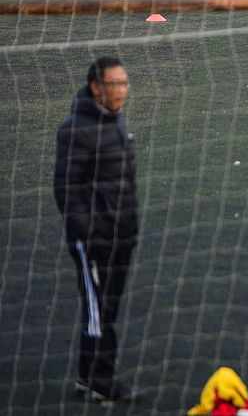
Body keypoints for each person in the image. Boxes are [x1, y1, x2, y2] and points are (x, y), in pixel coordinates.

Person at [55, 56, 140, 405]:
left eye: (124, 83)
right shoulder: (75, 129)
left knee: (109, 309)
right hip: (92, 239)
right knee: (97, 312)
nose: (122, 90)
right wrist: (86, 233)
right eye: (114, 84)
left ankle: (88, 377)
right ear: (96, 87)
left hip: (122, 235)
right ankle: (99, 381)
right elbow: (66, 189)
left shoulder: (115, 122)